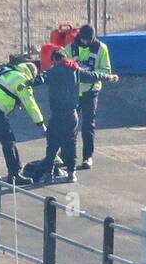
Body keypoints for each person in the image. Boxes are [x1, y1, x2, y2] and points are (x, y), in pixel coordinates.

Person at [35, 48, 118, 183]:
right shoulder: (75, 70)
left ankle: (49, 174)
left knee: (52, 144)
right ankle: (71, 173)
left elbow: (40, 79)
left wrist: (26, 83)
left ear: (54, 60)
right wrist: (109, 77)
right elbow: (93, 76)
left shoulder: (52, 71)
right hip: (72, 114)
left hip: (57, 114)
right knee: (71, 143)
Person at [0, 56, 44, 185]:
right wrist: (40, 123)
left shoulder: (9, 71)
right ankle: (14, 174)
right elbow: (29, 102)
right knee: (8, 140)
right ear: (32, 74)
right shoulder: (22, 79)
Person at [68, 24, 113, 170]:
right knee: (70, 124)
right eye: (83, 39)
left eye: (87, 40)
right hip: (73, 91)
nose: (84, 42)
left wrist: (90, 72)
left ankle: (87, 156)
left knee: (88, 124)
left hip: (91, 90)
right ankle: (67, 155)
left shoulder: (101, 48)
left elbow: (106, 70)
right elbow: (63, 64)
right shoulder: (70, 47)